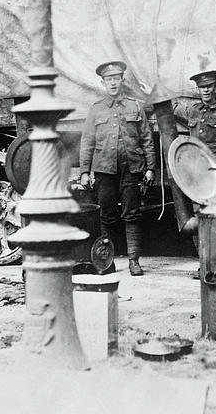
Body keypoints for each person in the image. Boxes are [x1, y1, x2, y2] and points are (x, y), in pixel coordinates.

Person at [79, 61, 156, 276]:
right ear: (103, 83)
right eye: (108, 80)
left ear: (122, 81)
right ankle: (106, 260)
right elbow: (87, 141)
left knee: (132, 214)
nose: (113, 83)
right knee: (106, 215)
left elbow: (147, 139)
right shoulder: (96, 109)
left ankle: (134, 261)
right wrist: (85, 171)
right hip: (104, 169)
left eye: (116, 79)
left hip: (131, 168)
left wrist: (151, 168)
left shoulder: (135, 106)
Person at [174, 69, 216, 278]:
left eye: (209, 86)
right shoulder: (191, 111)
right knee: (199, 219)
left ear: (215, 87)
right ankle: (204, 264)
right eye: (202, 87)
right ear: (198, 90)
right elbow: (171, 107)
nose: (206, 90)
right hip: (197, 175)